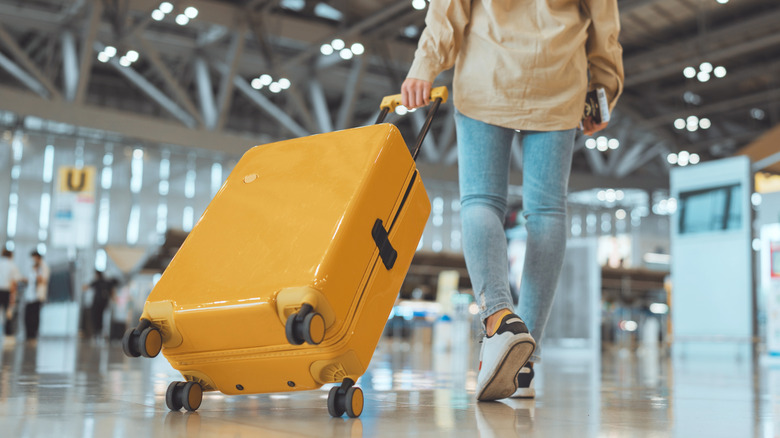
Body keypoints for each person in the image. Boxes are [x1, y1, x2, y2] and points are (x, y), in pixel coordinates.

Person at [402, 0, 623, 401]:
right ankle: (524, 360)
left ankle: (500, 320)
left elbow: (449, 9)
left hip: (488, 73)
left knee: (482, 201)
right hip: (558, 78)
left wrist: (425, 64)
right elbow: (604, 21)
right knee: (548, 212)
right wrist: (604, 86)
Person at [83, 270, 118, 339]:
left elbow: (86, 287)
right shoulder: (107, 282)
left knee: (95, 318)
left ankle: (97, 333)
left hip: (96, 304)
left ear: (97, 275)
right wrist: (113, 298)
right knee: (101, 318)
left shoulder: (97, 282)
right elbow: (112, 291)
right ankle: (99, 332)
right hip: (103, 304)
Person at [25, 250, 50, 341]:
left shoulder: (43, 267)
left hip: (38, 296)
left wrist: (36, 273)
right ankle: (28, 335)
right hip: (30, 295)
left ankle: (33, 335)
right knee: (28, 316)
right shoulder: (34, 267)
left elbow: (43, 280)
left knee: (34, 316)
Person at [1, 248, 22, 336]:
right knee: (8, 314)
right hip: (7, 291)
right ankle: (8, 335)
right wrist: (13, 297)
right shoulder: (12, 265)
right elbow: (14, 282)